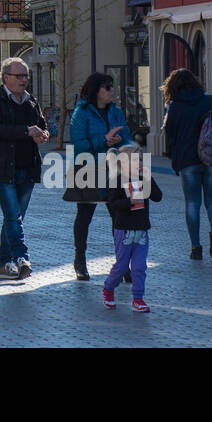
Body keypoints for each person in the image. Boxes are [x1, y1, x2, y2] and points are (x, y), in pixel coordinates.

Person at [0, 56, 48, 281]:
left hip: (28, 168)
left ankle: (3, 264)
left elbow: (41, 125)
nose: (24, 80)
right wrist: (26, 131)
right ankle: (22, 258)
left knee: (15, 217)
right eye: (19, 76)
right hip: (3, 169)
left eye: (26, 75)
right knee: (13, 216)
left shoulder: (32, 101)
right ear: (5, 77)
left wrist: (42, 134)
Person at [161, 68, 212, 260]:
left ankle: (195, 247)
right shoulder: (210, 101)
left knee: (192, 203)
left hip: (188, 160)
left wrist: (175, 156)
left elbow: (170, 133)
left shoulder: (175, 106)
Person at [68, 72, 128, 280]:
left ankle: (123, 262)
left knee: (119, 216)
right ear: (96, 91)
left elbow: (126, 138)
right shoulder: (81, 113)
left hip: (114, 169)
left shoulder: (116, 111)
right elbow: (78, 144)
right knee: (85, 215)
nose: (113, 91)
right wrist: (104, 140)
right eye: (108, 87)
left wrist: (120, 141)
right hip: (88, 168)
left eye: (113, 87)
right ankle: (80, 261)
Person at [102, 144, 162, 312]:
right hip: (124, 230)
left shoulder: (144, 178)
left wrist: (149, 179)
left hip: (141, 230)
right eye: (136, 159)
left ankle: (138, 298)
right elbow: (113, 204)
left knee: (139, 267)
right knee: (121, 266)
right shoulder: (118, 179)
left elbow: (158, 197)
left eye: (141, 159)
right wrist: (130, 202)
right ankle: (108, 289)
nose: (140, 162)